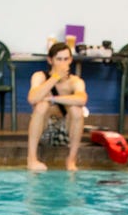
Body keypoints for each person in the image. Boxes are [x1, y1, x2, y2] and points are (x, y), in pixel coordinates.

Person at [26, 42, 87, 172]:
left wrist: (53, 99)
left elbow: (82, 99)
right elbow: (32, 98)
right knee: (41, 106)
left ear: (71, 60)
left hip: (65, 133)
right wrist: (55, 78)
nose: (63, 63)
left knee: (77, 110)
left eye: (66, 59)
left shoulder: (75, 81)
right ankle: (32, 159)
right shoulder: (40, 76)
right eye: (59, 59)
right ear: (50, 60)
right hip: (44, 132)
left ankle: (71, 159)